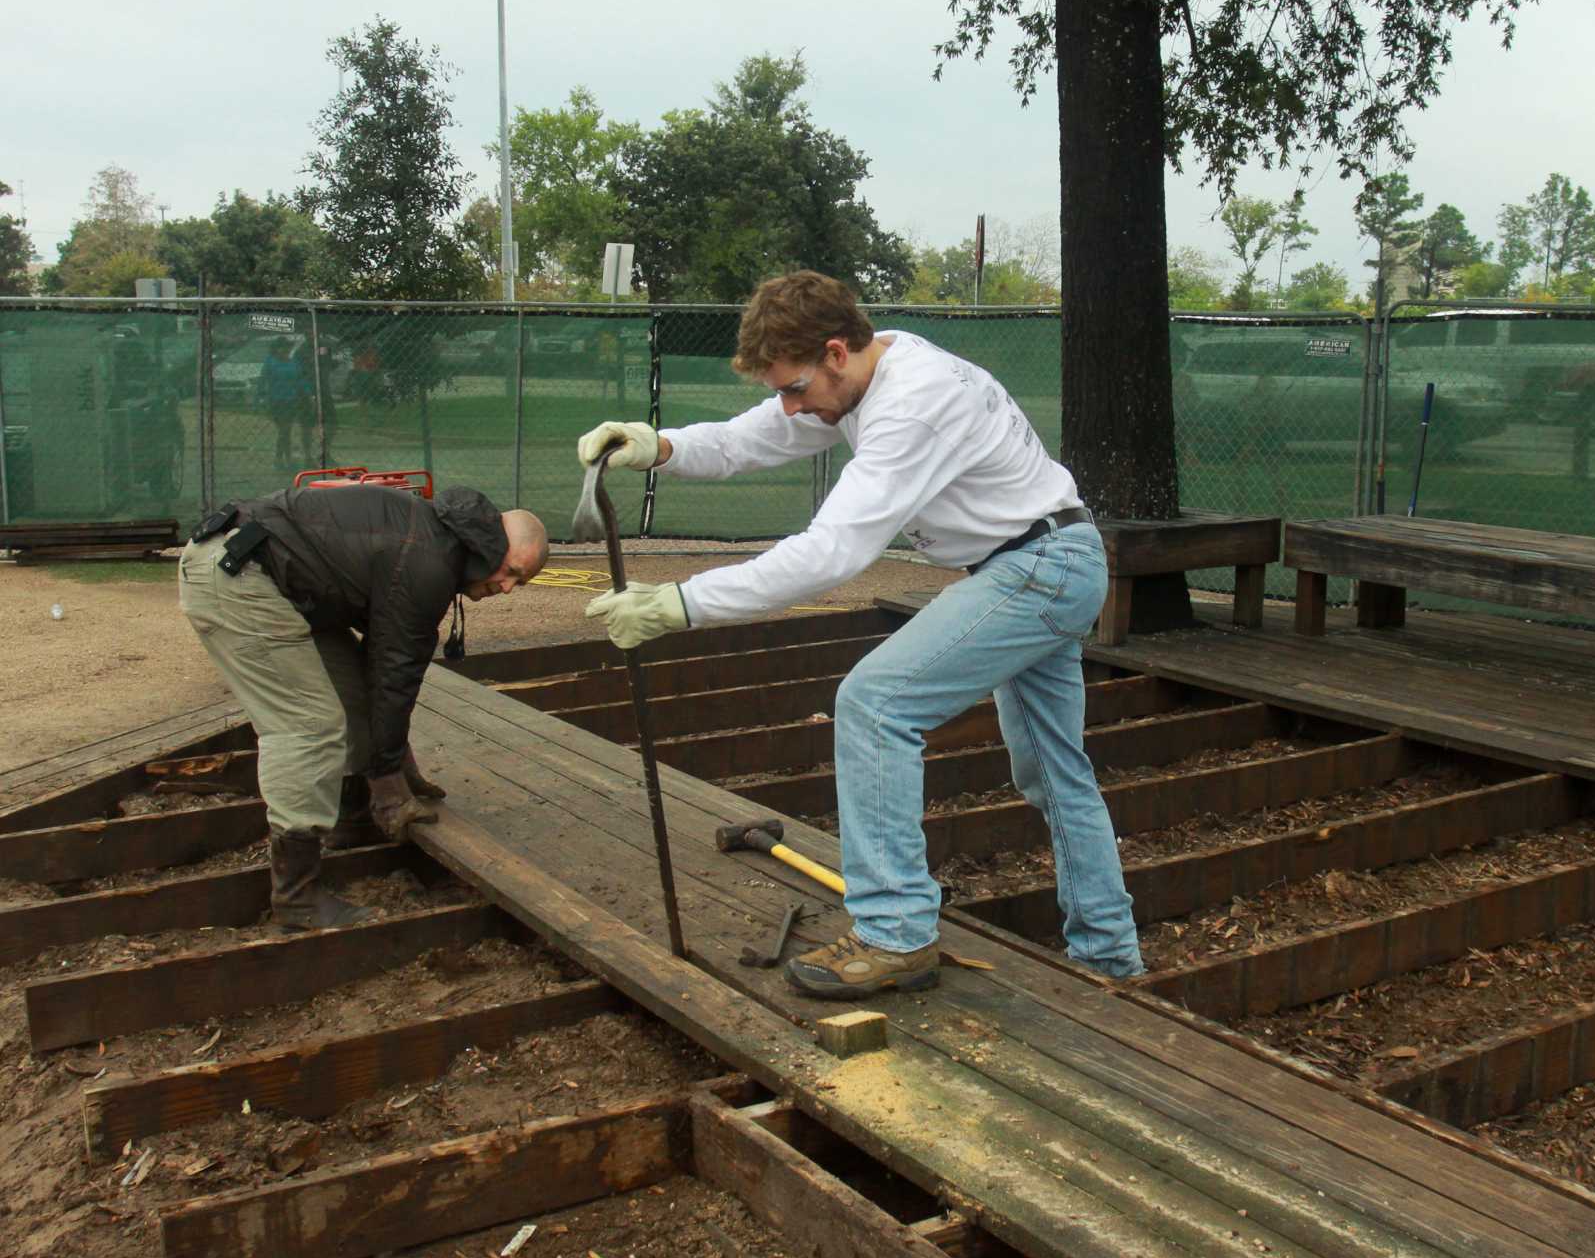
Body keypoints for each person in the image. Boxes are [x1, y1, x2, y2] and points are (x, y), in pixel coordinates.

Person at [575, 270, 1142, 998]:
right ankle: (1110, 954)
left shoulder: (914, 404)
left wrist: (680, 603)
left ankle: (895, 934)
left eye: (794, 387)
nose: (790, 405)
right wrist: (659, 446)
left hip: (1038, 570)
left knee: (875, 703)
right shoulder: (868, 371)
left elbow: (829, 555)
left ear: (836, 353)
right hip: (1048, 560)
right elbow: (750, 438)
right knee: (1054, 772)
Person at [178, 483, 549, 930]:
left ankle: (349, 820)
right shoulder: (428, 563)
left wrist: (395, 764)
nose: (507, 588)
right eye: (511, 571)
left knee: (349, 694)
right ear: (491, 544)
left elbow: (378, 675)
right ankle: (296, 896)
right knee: (308, 726)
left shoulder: (438, 539)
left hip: (276, 578)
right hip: (238, 577)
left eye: (521, 583)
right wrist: (389, 781)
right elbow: (395, 675)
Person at [259, 338, 314, 470]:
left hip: (291, 400)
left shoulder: (293, 363)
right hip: (276, 401)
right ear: (276, 349)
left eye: (288, 348)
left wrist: (309, 394)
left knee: (286, 430)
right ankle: (282, 459)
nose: (285, 351)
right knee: (284, 430)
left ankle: (283, 460)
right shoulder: (270, 362)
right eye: (282, 348)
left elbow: (300, 380)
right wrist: (261, 398)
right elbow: (263, 380)